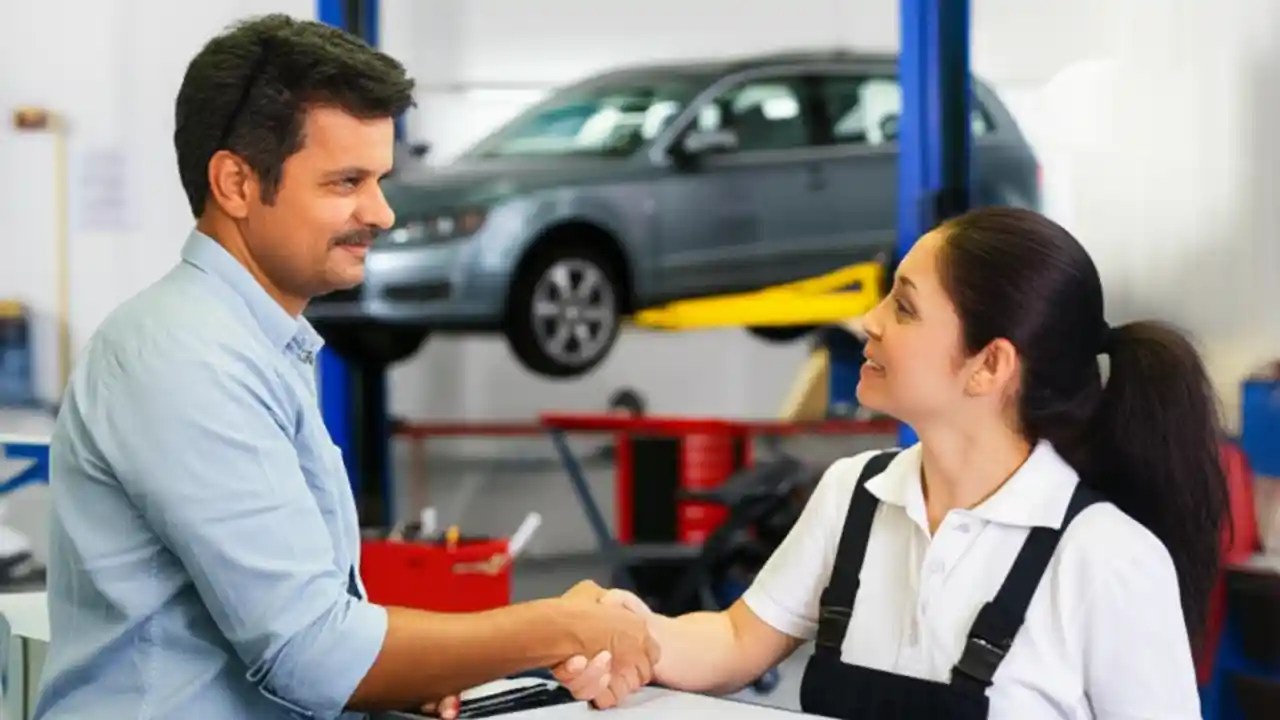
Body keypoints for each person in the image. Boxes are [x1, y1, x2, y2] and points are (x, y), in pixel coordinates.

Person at [34, 15, 655, 720]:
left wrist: (410, 673)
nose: (383, 213)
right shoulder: (183, 358)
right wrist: (558, 628)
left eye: (381, 179)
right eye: (346, 182)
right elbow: (311, 655)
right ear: (236, 183)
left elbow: (319, 625)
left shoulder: (255, 344)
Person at [556, 207, 1228, 719]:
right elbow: (735, 641)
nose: (870, 321)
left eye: (903, 305)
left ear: (988, 365)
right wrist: (628, 629)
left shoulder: (1106, 559)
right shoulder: (855, 492)